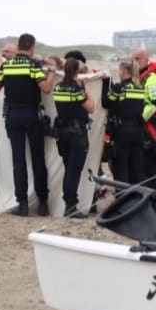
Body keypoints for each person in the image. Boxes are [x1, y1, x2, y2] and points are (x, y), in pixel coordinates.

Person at [0, 32, 57, 216]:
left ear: (19, 46)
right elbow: (46, 88)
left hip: (12, 116)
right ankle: (43, 203)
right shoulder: (33, 66)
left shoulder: (7, 66)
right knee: (38, 159)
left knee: (18, 161)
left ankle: (23, 204)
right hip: (32, 115)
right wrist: (51, 72)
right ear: (32, 48)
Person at [52, 57, 95, 218]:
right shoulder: (76, 91)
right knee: (74, 171)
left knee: (68, 168)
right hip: (77, 133)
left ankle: (68, 204)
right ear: (77, 72)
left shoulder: (57, 88)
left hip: (62, 133)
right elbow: (90, 108)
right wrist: (88, 93)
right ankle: (71, 206)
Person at [104, 60, 148, 184]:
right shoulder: (141, 88)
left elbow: (106, 102)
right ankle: (137, 198)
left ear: (124, 71)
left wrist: (106, 82)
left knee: (121, 167)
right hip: (138, 131)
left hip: (122, 131)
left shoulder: (119, 88)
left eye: (119, 70)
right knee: (137, 168)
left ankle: (123, 198)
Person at [132, 47, 156, 189]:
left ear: (145, 60)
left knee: (153, 161)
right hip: (142, 126)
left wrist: (141, 119)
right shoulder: (138, 78)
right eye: (133, 59)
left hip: (151, 126)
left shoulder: (152, 78)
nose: (133, 62)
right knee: (143, 161)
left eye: (136, 59)